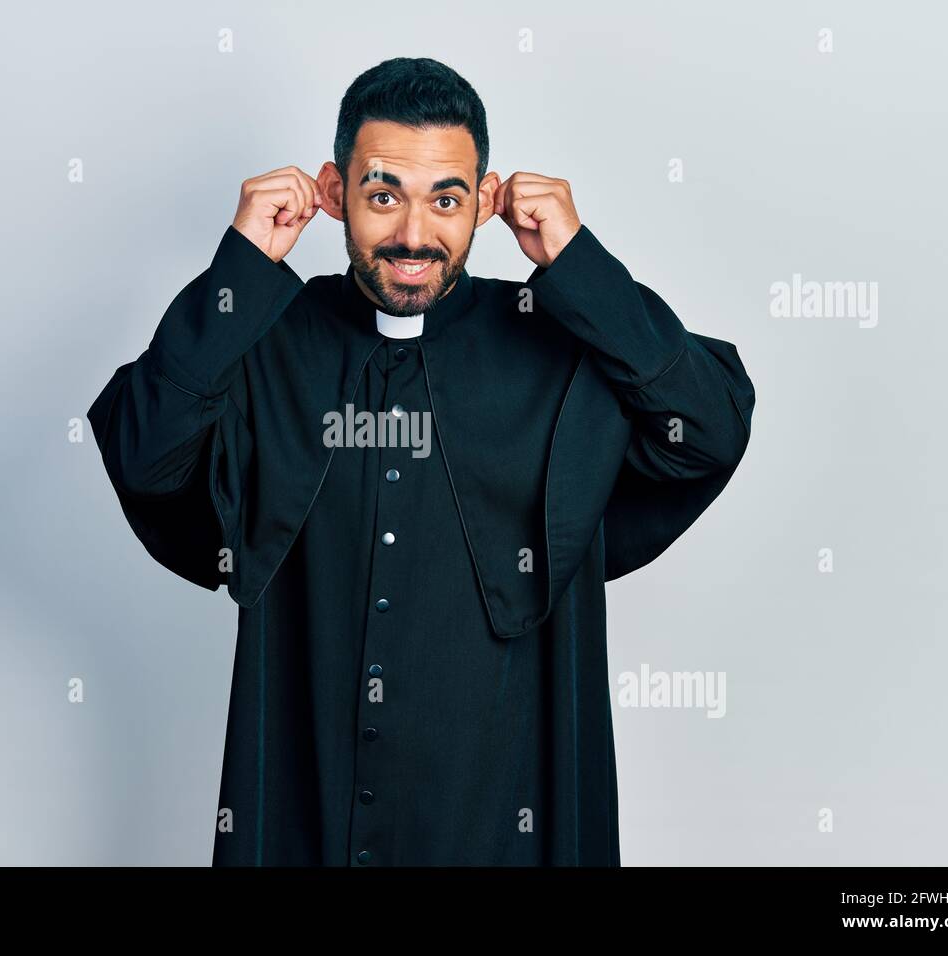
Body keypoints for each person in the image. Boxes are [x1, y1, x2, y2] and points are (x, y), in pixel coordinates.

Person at [87, 56, 756, 866]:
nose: (413, 234)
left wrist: (579, 265)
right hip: (307, 820)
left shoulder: (558, 341)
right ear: (334, 195)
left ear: (485, 198)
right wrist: (239, 268)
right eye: (382, 195)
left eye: (445, 198)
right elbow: (142, 454)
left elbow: (709, 430)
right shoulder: (263, 340)